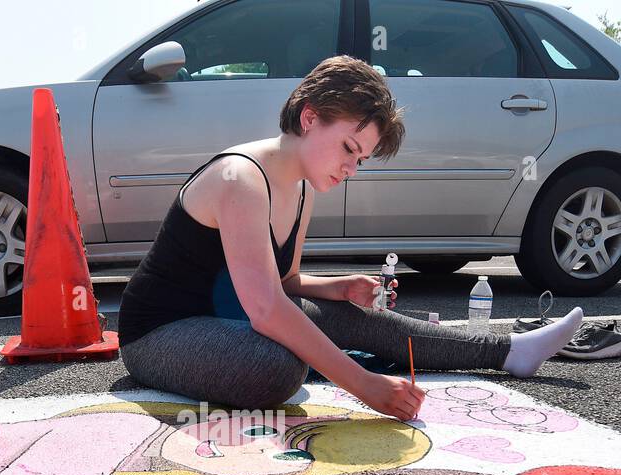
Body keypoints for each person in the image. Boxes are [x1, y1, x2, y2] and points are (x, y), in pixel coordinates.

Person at [118, 54, 586, 422]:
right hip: (159, 334)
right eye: (347, 148)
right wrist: (366, 387)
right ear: (309, 117)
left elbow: (283, 284)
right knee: (278, 367)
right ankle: (347, 361)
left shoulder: (301, 188)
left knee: (350, 315)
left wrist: (336, 287)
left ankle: (510, 352)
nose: (350, 167)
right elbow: (265, 308)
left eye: (360, 159)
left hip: (227, 317)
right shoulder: (240, 178)